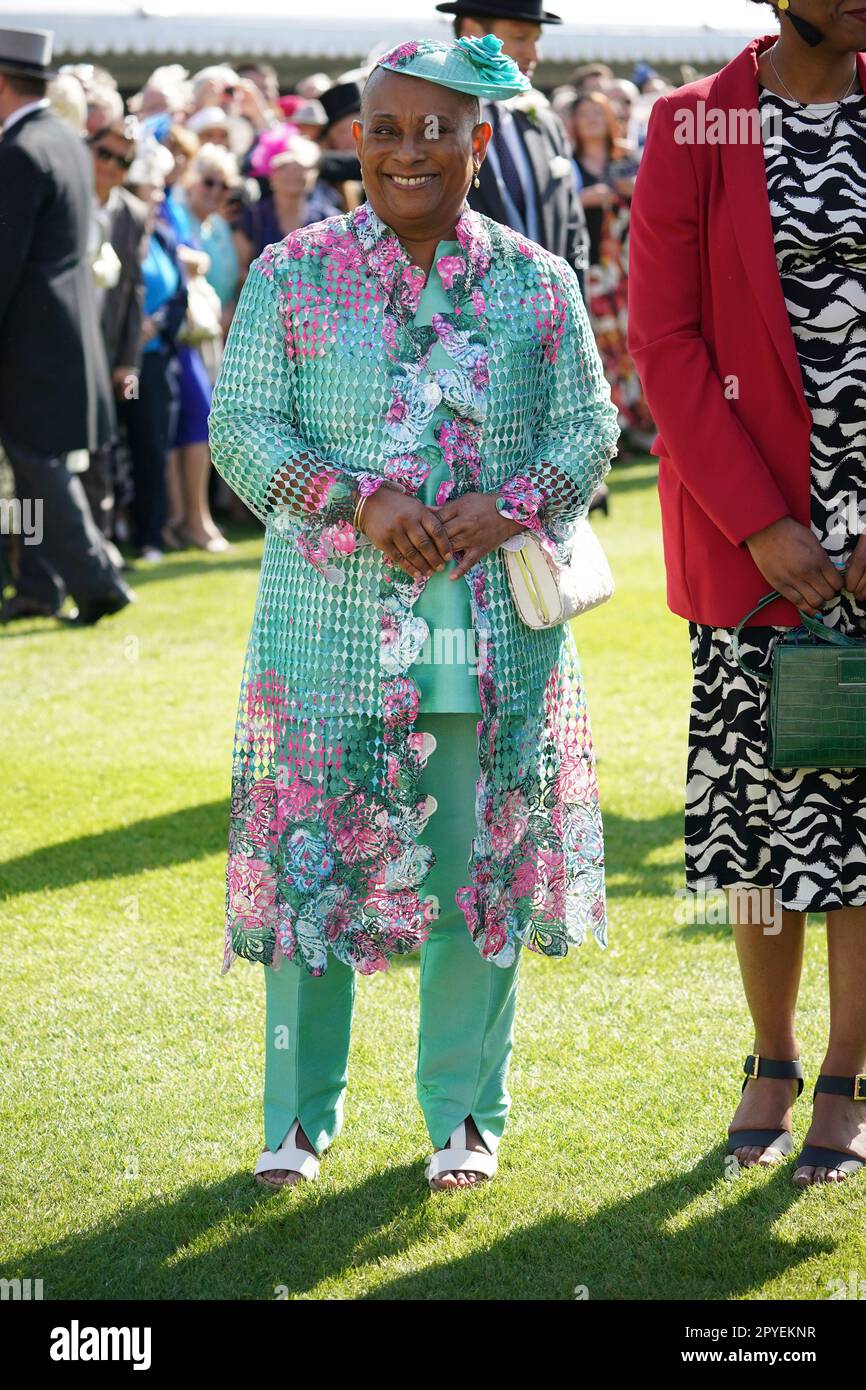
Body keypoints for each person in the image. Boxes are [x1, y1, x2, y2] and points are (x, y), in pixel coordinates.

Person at [208, 34, 619, 1192]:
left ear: (478, 143)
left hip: (491, 646)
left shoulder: (535, 282)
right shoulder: (290, 274)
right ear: (356, 141)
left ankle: (466, 1115)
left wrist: (511, 503)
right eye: (384, 130)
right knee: (310, 877)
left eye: (435, 130)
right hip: (328, 640)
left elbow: (589, 428)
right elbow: (242, 429)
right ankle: (296, 1117)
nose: (407, 152)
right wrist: (357, 499)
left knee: (474, 882)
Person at [628, 2, 866, 1187]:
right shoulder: (694, 127)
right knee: (762, 835)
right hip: (751, 547)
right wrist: (762, 523)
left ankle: (845, 1077)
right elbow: (664, 342)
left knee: (865, 837)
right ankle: (768, 1060)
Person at [0, 25, 134, 626]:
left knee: (36, 465)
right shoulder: (62, 140)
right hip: (61, 333)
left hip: (30, 341)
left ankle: (96, 579)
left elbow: (6, 260)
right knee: (35, 467)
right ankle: (42, 586)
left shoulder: (20, 150)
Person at [437, 0, 591, 298]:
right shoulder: (432, 126)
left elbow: (574, 230)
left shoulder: (546, 125)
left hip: (550, 325)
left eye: (536, 41)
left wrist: (577, 305)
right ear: (471, 32)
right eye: (521, 38)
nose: (534, 54)